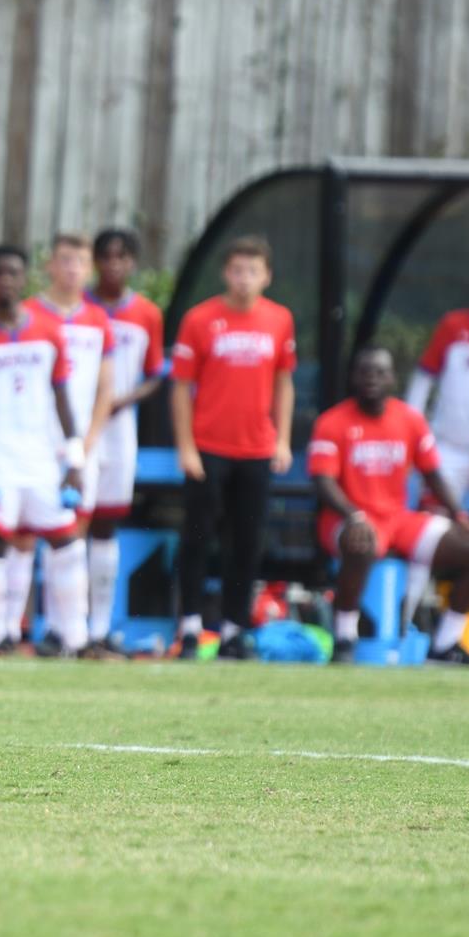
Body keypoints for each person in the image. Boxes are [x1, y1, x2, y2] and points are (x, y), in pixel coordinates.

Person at [309, 347, 469, 665]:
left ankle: (444, 645)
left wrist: (459, 514)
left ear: (392, 378)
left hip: (397, 518)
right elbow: (323, 481)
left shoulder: (410, 419)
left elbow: (432, 473)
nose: (372, 379)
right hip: (348, 517)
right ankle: (344, 638)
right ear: (353, 378)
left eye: (379, 372)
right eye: (364, 372)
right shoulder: (331, 422)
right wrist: (354, 516)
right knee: (361, 542)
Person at [0, 245, 87, 657]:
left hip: (41, 457)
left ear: (24, 279)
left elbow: (63, 398)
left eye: (14, 273)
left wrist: (74, 459)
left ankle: (76, 638)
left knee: (65, 540)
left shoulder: (48, 332)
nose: (6, 281)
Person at [170, 235, 296, 661]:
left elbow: (283, 381)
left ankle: (233, 628)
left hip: (256, 449)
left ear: (267, 277)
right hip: (208, 447)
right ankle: (188, 626)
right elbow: (181, 387)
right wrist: (186, 447)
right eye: (238, 270)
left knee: (246, 542)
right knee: (198, 537)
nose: (244, 279)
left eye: (253, 271)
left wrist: (281, 439)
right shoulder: (200, 319)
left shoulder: (279, 320)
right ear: (226, 273)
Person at [22, 234, 115, 657]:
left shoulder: (98, 319)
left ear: (89, 269)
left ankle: (69, 631)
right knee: (27, 533)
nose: (73, 268)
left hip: (81, 443)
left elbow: (105, 385)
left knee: (73, 529)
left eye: (81, 261)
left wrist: (87, 438)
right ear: (50, 266)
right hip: (36, 443)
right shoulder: (29, 315)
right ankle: (29, 628)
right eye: (65, 260)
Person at [86, 228, 167, 651]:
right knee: (67, 523)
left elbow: (156, 374)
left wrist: (124, 398)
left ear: (133, 263)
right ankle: (68, 628)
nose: (114, 265)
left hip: (119, 432)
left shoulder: (147, 314)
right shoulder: (78, 309)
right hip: (78, 428)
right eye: (107, 256)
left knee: (106, 522)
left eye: (123, 257)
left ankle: (99, 628)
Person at [404, 255, 469, 520]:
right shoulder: (454, 326)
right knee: (431, 530)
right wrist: (411, 437)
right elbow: (421, 383)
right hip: (448, 447)